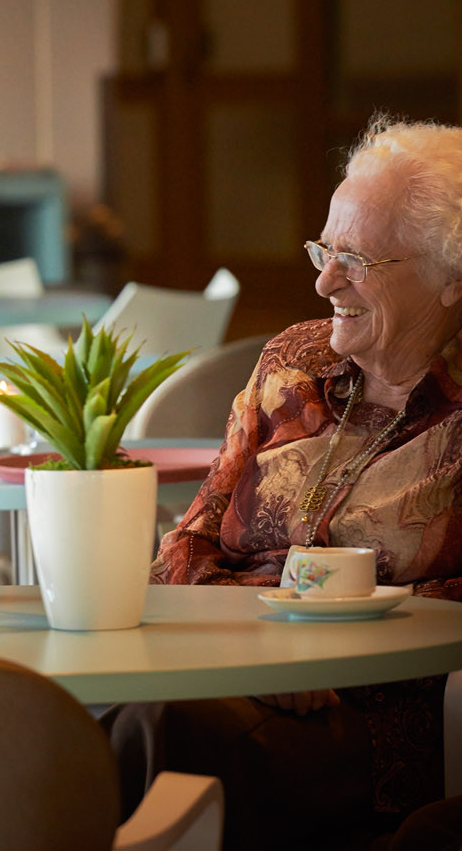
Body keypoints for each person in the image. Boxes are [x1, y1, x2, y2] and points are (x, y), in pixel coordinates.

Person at [111, 116, 462, 848]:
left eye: (356, 259)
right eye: (324, 248)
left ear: (452, 276)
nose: (323, 279)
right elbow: (187, 542)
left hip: (371, 722)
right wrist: (253, 644)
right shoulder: (292, 361)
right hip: (225, 668)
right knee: (69, 714)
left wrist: (313, 648)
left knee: (162, 723)